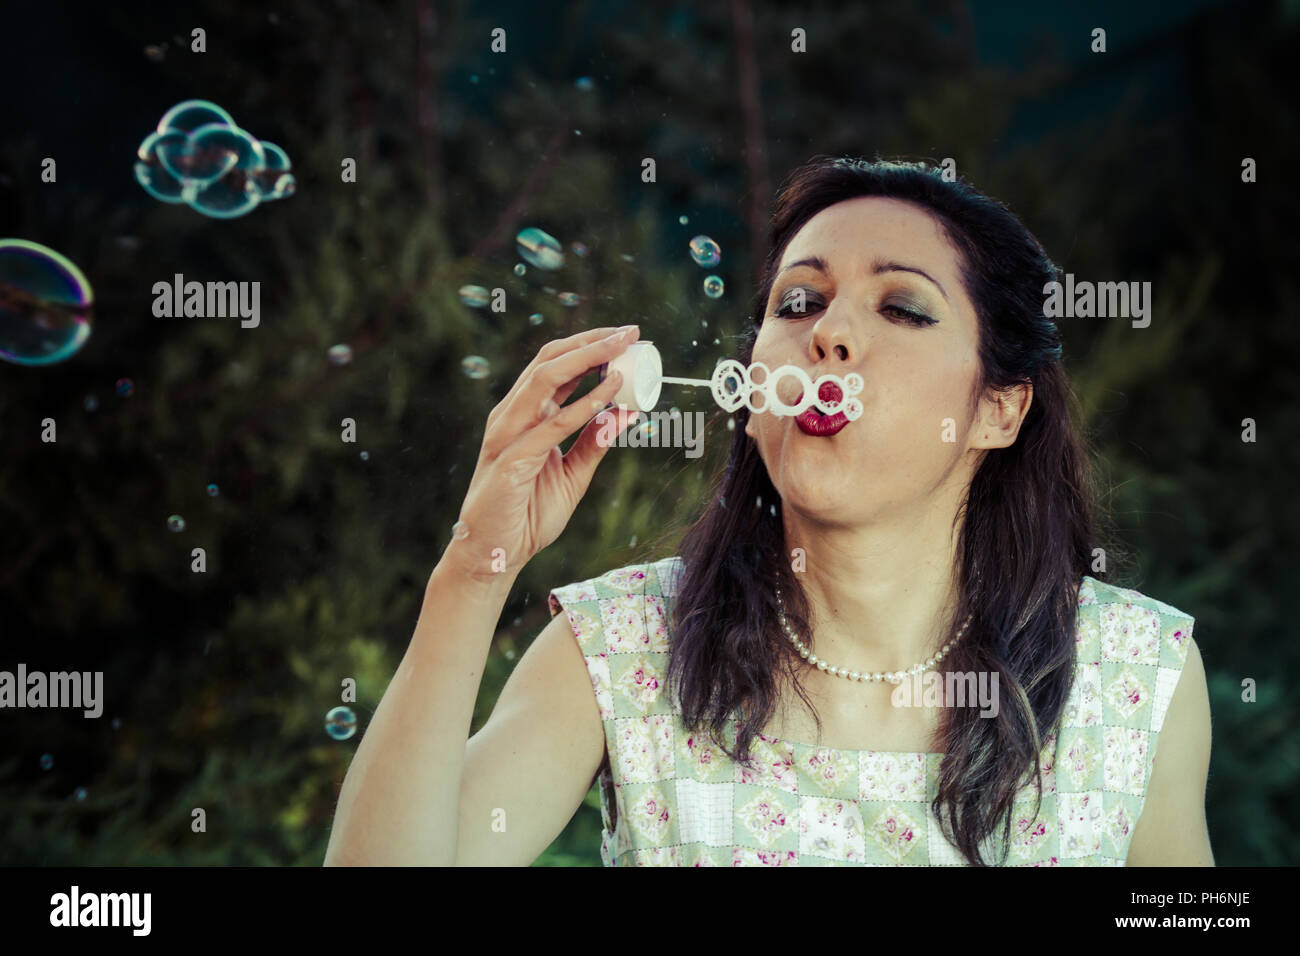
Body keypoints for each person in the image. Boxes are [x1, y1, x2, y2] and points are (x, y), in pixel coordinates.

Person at [323, 156, 1213, 867]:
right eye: (799, 301)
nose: (825, 333)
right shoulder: (624, 651)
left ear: (998, 408)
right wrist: (474, 568)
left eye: (901, 307)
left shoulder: (1133, 678)